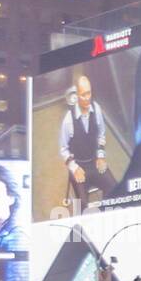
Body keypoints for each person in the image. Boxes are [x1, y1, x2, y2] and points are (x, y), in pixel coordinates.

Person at [59, 74, 118, 212]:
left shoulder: (96, 109)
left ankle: (104, 214)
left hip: (95, 161)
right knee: (83, 205)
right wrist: (74, 168)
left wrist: (101, 155)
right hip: (79, 165)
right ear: (77, 95)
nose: (87, 98)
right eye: (83, 94)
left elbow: (101, 135)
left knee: (114, 190)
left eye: (89, 93)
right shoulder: (68, 120)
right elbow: (63, 149)